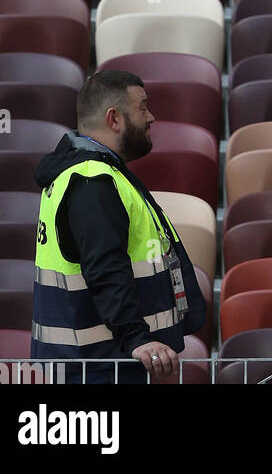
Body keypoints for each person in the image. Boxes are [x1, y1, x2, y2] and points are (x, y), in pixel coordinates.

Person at [30, 70, 206, 386]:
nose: (151, 117)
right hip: (99, 366)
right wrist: (136, 338)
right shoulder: (93, 181)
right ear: (114, 119)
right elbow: (105, 268)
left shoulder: (83, 172)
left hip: (90, 361)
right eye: (142, 107)